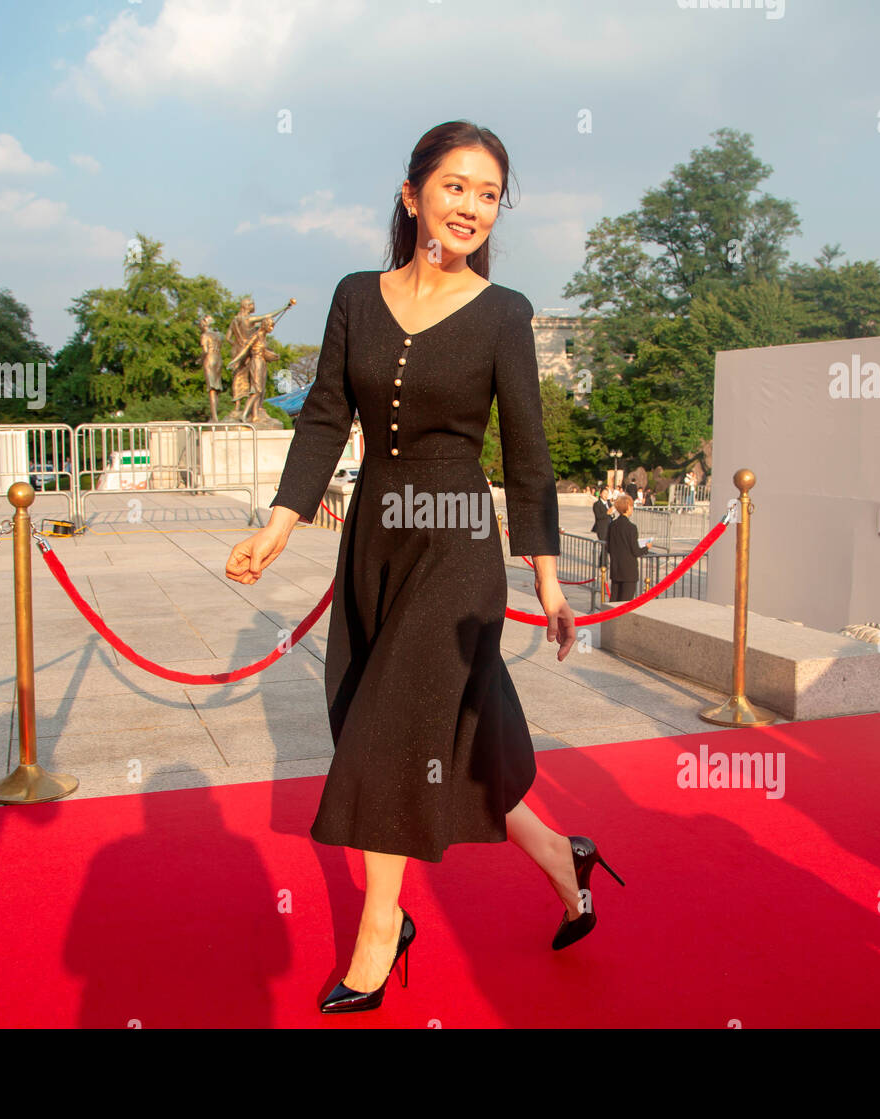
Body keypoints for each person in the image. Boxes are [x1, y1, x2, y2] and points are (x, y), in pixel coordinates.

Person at [224, 121, 623, 1015]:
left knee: (393, 731)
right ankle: (568, 859)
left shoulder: (504, 312)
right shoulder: (355, 296)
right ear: (412, 196)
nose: (472, 207)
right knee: (453, 741)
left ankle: (381, 932)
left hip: (454, 544)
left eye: (489, 194)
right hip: (375, 536)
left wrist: (549, 578)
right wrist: (283, 522)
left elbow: (527, 452)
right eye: (456, 187)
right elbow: (325, 414)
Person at [605, 493, 649, 602]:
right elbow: (636, 551)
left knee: (614, 599)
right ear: (628, 507)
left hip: (616, 567)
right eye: (632, 506)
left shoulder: (612, 525)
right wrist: (646, 547)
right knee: (626, 600)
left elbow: (609, 547)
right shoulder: (631, 528)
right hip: (629, 569)